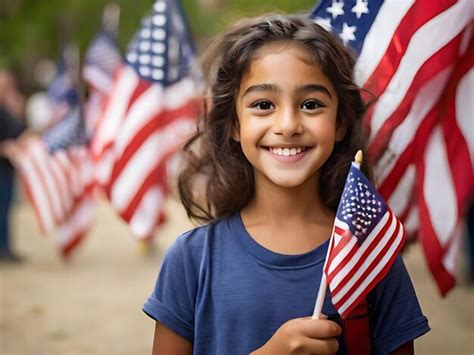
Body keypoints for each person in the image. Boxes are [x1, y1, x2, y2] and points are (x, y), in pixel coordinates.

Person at [143, 14, 430, 354]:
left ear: (339, 123)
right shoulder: (192, 259)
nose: (288, 124)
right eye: (263, 105)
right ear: (234, 124)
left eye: (311, 105)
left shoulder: (370, 256)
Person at [0, 69, 26, 262]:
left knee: (6, 211)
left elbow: (19, 130)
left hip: (7, 171)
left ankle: (6, 248)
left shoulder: (7, 109)